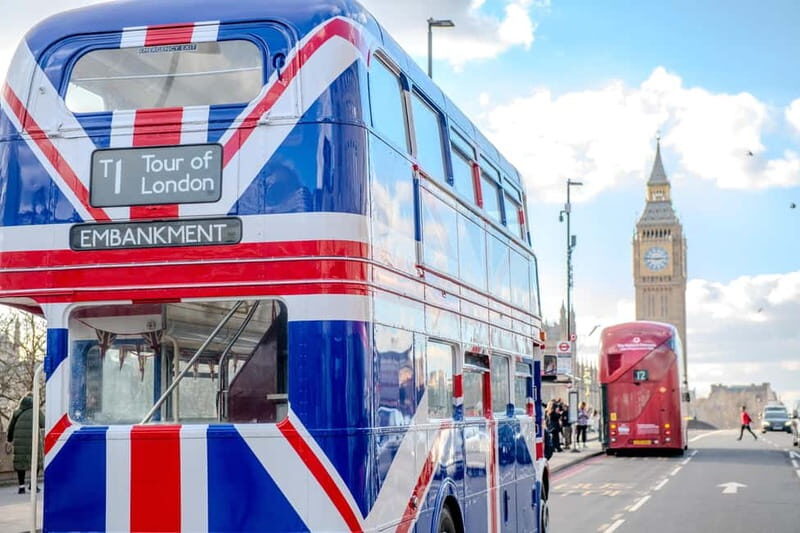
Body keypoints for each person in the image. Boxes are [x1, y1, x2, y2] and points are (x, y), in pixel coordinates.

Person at [6, 394, 44, 494]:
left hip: (19, 442)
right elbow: (43, 423)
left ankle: (21, 487)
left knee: (20, 463)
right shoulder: (36, 411)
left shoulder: (16, 412)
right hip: (33, 441)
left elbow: (10, 428)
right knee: (35, 462)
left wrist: (9, 440)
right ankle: (33, 485)